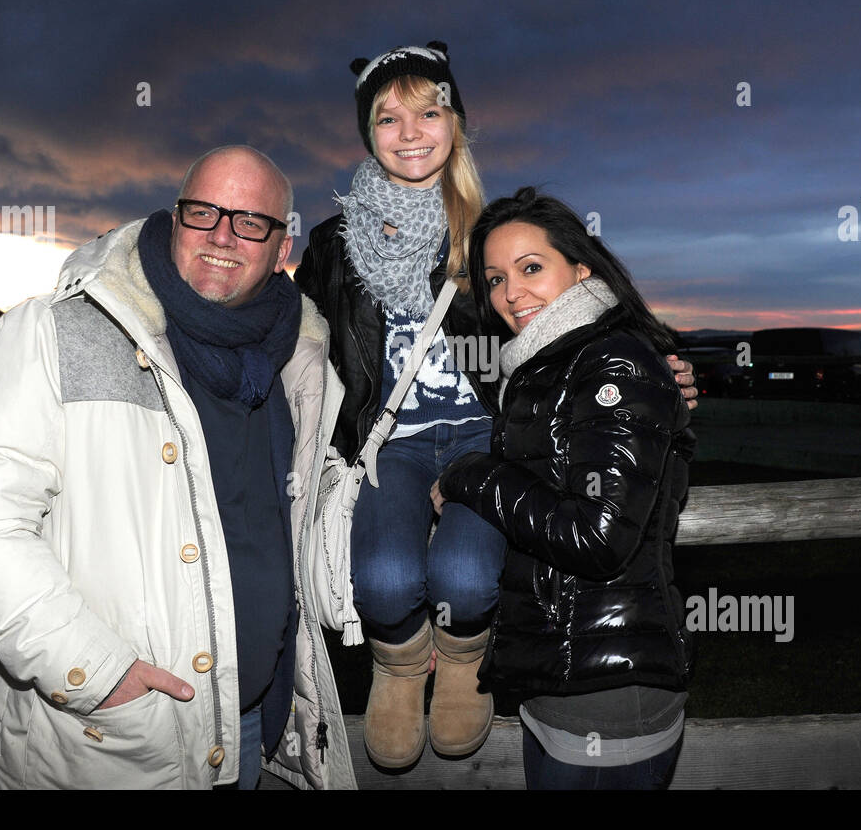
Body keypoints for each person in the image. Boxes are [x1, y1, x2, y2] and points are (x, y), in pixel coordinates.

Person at [296, 42, 698, 770]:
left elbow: (565, 318)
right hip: (392, 441)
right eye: (388, 117)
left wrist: (656, 366)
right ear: (366, 133)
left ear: (456, 124)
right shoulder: (332, 245)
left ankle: (461, 665)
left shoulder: (486, 232)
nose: (411, 131)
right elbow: (298, 343)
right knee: (384, 578)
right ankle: (396, 665)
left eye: (429, 110)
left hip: (487, 435)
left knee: (470, 577)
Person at [0, 146, 356, 790]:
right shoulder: (61, 331)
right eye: (203, 212)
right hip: (112, 740)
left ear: (280, 247)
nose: (220, 236)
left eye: (249, 221)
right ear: (174, 217)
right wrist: (96, 675)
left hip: (249, 730)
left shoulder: (303, 358)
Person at [433, 187, 695, 789]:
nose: (510, 294)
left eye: (531, 268)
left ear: (582, 269)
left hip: (607, 687)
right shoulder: (550, 365)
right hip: (562, 674)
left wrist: (469, 473)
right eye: (495, 279)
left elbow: (596, 537)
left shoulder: (612, 363)